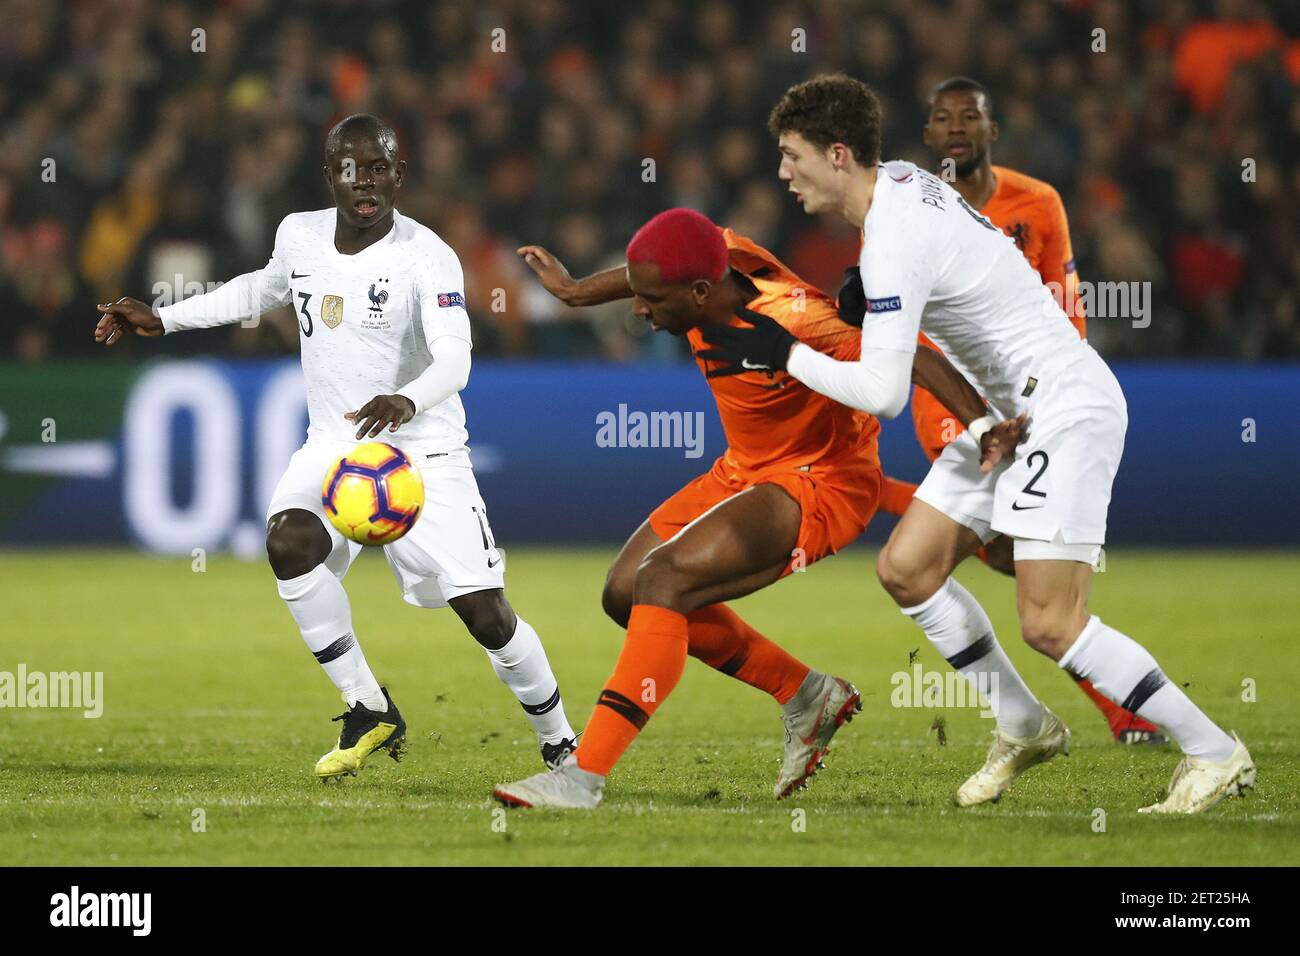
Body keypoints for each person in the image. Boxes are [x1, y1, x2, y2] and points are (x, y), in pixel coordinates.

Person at [700, 75, 1253, 814]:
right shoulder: (898, 182)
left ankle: (1214, 751)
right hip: (1007, 416)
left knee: (1050, 622)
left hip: (1062, 405)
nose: (782, 172)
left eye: (791, 155)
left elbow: (886, 395)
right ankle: (1024, 723)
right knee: (908, 567)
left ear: (837, 156)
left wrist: (785, 352)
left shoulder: (894, 231)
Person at [93, 114, 577, 780]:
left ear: (398, 175)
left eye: (379, 168)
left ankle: (559, 740)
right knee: (288, 542)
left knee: (485, 613)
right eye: (351, 168)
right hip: (335, 446)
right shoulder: (298, 234)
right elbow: (262, 289)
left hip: (422, 449)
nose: (365, 182)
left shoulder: (426, 254)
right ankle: (368, 707)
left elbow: (456, 359)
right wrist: (165, 316)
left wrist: (408, 399)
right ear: (330, 175)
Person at [492, 207, 1023, 809]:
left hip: (821, 481)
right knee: (623, 592)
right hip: (744, 469)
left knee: (663, 580)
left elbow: (915, 359)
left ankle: (581, 777)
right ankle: (805, 693)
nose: (640, 309)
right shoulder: (718, 257)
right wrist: (574, 292)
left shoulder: (797, 321)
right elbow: (657, 266)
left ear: (698, 292)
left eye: (652, 299)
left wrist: (983, 426)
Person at [881, 75, 1164, 746]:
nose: (956, 128)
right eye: (943, 117)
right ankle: (1113, 704)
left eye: (969, 117)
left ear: (991, 131)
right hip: (952, 405)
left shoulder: (1036, 204)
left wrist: (1060, 396)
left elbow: (1064, 310)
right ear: (927, 135)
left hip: (1033, 398)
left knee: (1023, 565)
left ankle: (1098, 707)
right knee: (1016, 559)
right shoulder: (909, 211)